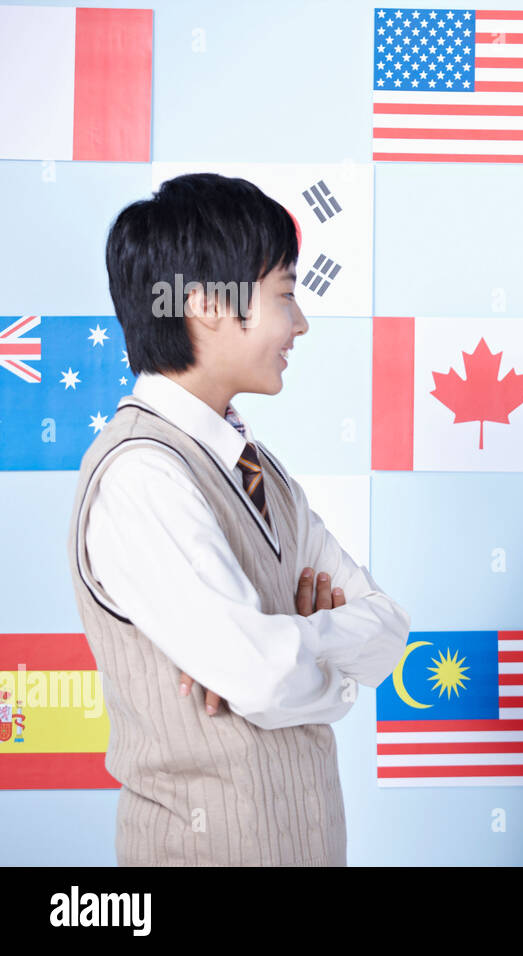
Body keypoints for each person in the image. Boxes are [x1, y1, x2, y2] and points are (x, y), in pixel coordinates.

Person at [66, 172, 410, 866]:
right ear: (205, 305)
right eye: (285, 294)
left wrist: (293, 638)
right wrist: (308, 659)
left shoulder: (260, 468)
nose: (302, 323)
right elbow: (260, 675)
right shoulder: (143, 474)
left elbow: (388, 634)